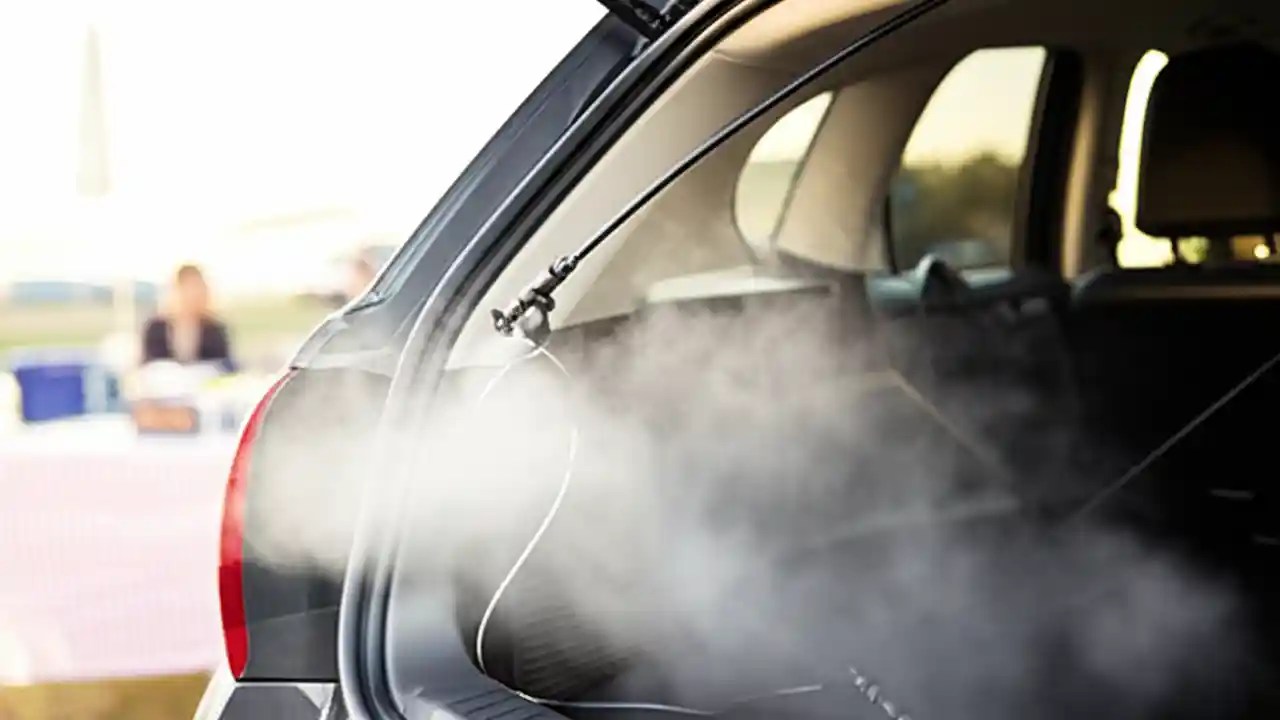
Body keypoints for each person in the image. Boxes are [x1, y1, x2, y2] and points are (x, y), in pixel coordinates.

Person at [141, 264, 234, 370]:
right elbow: (146, 366)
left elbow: (226, 366)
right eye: (188, 289)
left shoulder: (215, 329)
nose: (193, 296)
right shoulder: (156, 329)